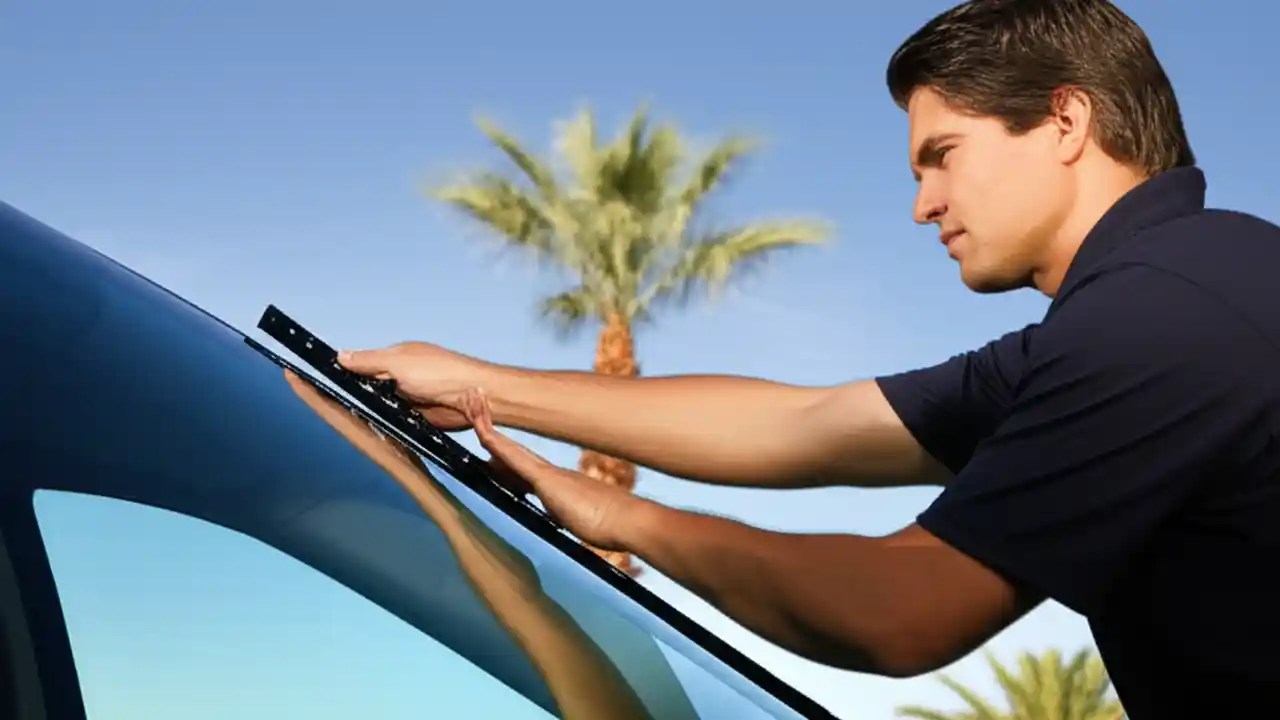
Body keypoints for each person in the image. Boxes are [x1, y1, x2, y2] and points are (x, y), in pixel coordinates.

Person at [339, 1, 1278, 716]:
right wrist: (480, 384)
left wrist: (625, 517)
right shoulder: (1182, 289)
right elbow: (807, 428)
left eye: (942, 155)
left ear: (1067, 122)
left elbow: (900, 610)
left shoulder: (1166, 316)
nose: (924, 205)